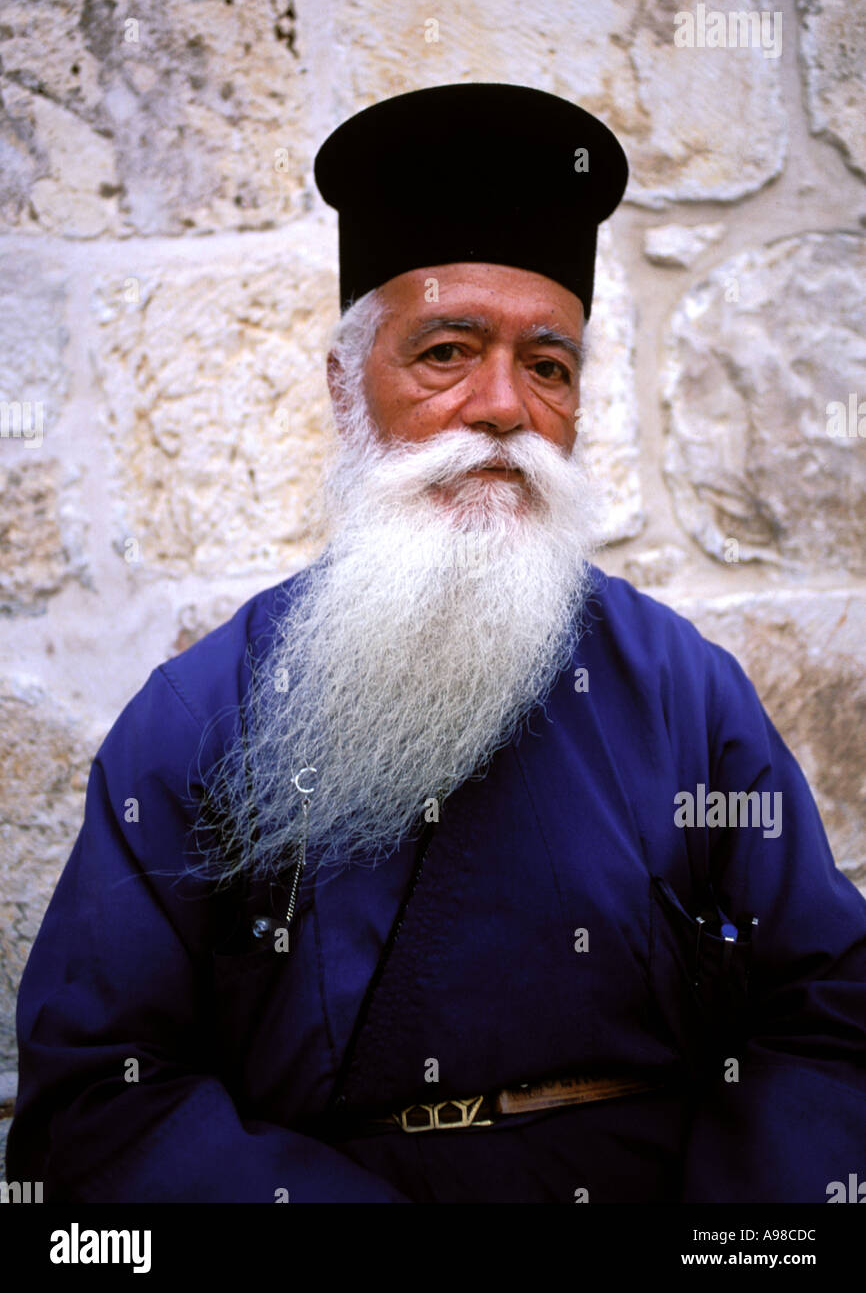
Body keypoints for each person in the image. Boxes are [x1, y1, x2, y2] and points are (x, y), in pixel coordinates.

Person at [6, 84, 866, 1204]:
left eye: (546, 366)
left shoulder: (681, 692)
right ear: (345, 384)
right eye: (447, 351)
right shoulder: (195, 718)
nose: (501, 406)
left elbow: (824, 1017)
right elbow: (103, 1097)